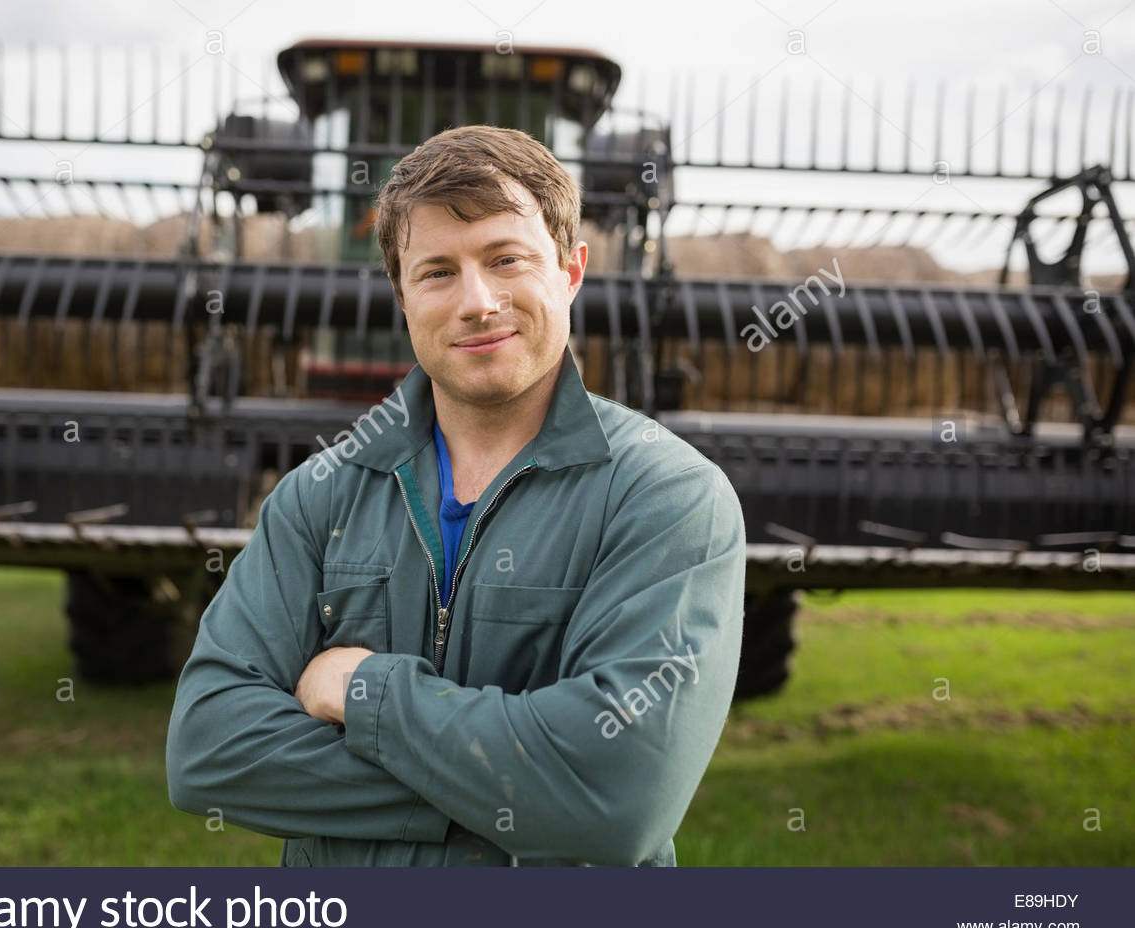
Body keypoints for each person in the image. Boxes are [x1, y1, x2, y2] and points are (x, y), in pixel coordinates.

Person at [166, 124, 746, 866]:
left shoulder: (667, 498)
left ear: (570, 272)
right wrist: (520, 796)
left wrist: (365, 691)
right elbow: (209, 752)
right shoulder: (318, 497)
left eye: (507, 259)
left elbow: (618, 797)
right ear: (402, 296)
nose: (477, 302)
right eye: (437, 272)